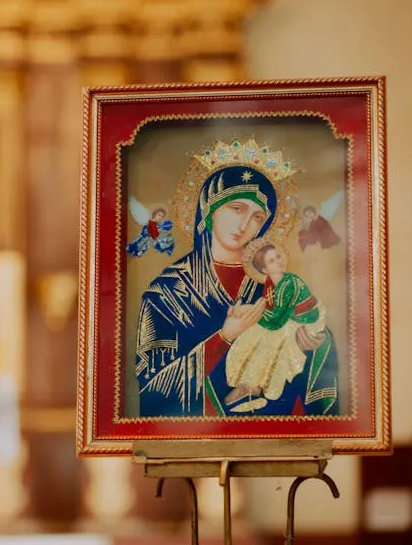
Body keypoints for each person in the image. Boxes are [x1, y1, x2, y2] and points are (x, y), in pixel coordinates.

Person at [135, 161, 340, 417]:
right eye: (236, 208)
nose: (245, 224)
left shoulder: (272, 282)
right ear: (209, 210)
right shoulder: (167, 293)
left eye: (257, 217)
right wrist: (224, 337)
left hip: (275, 435)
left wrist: (306, 340)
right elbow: (153, 390)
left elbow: (312, 330)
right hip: (197, 444)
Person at [222, 242, 334, 414]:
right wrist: (244, 313)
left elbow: (277, 320)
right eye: (272, 261)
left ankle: (260, 385)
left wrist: (248, 312)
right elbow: (271, 310)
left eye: (278, 257)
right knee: (254, 333)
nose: (279, 262)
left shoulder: (290, 282)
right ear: (265, 270)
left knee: (275, 336)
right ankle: (247, 383)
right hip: (289, 318)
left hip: (308, 318)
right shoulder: (270, 282)